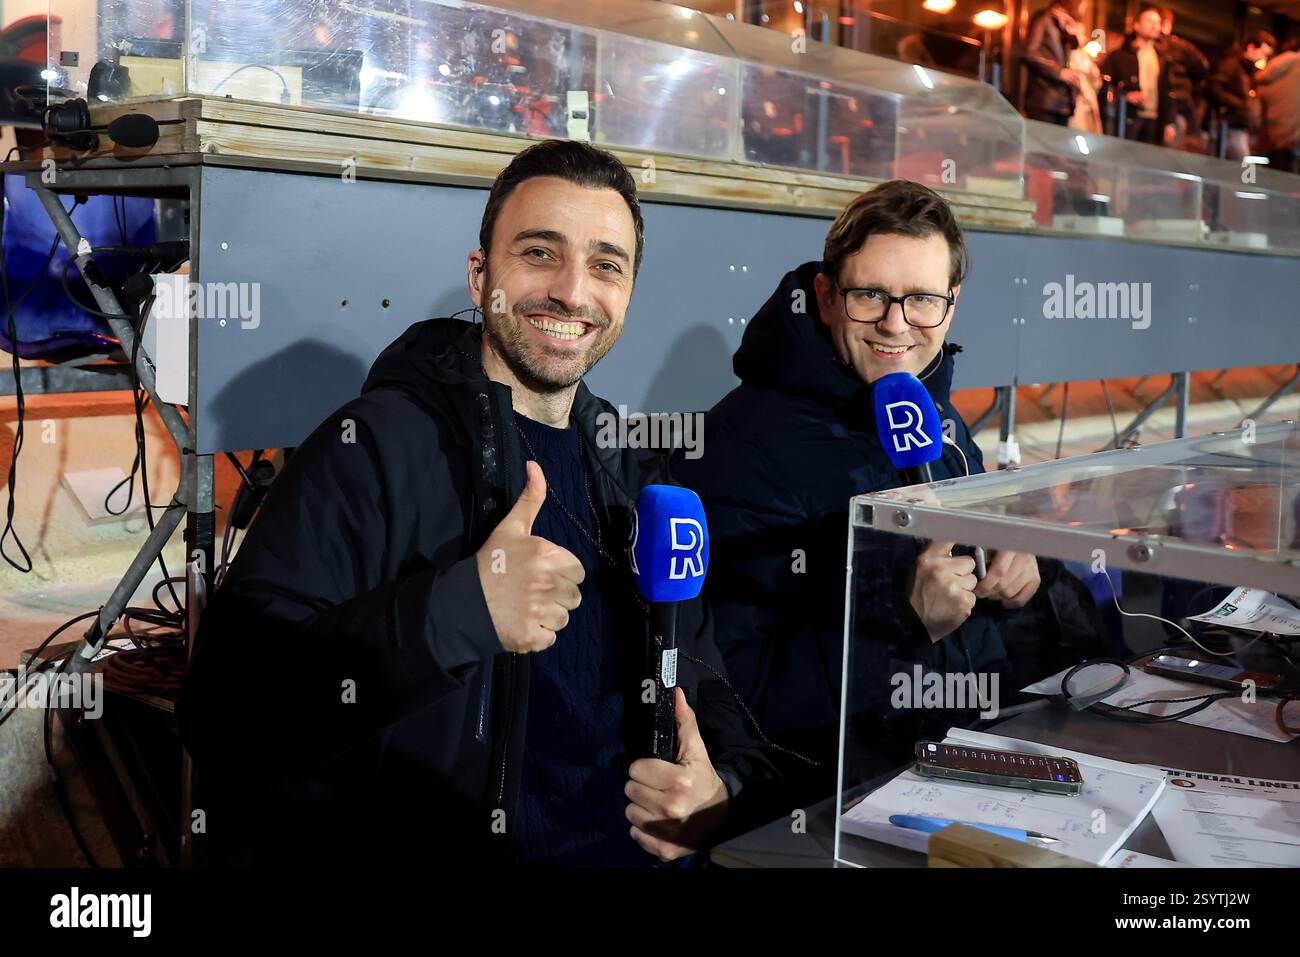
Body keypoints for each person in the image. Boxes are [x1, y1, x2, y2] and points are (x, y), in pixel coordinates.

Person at [179, 139, 779, 867]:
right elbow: (222, 712)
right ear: (479, 275)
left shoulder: (635, 472)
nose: (572, 290)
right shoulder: (372, 449)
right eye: (538, 252)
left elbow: (708, 685)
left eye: (605, 265)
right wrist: (456, 613)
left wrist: (720, 791)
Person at [673, 181, 1110, 808]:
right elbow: (734, 694)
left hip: (976, 765)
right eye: (871, 295)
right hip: (838, 805)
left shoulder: (945, 428)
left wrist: (1033, 582)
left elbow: (997, 643)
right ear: (826, 297)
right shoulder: (737, 447)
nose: (896, 324)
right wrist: (904, 626)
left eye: (923, 300)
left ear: (951, 306)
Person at [1101, 5, 1176, 146]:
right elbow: (1104, 85)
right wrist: (1124, 95)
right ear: (1136, 26)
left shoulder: (1164, 58)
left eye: (1158, 22)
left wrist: (1169, 122)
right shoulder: (1119, 56)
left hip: (1154, 121)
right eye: (1149, 21)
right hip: (1128, 118)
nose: (1154, 26)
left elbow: (1168, 92)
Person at [1208, 30, 1276, 160]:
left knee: (1241, 170)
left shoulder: (1249, 71)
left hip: (1240, 126)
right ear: (1251, 47)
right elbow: (1213, 89)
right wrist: (1239, 104)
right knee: (1246, 172)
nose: (1263, 58)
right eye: (1262, 53)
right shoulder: (1231, 64)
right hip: (1229, 126)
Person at [1023, 0, 1087, 126]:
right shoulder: (1044, 19)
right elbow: (1030, 53)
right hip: (1044, 99)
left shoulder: (1067, 26)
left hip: (1063, 103)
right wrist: (1059, 72)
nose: (1084, 6)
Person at [1158, 7, 1210, 150]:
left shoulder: (1153, 46)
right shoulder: (1182, 47)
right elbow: (1202, 69)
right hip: (1177, 105)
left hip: (1164, 105)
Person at [1256, 37, 1300, 173]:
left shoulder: (1270, 71)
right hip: (1293, 137)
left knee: (1273, 182)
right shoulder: (1297, 65)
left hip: (1270, 137)